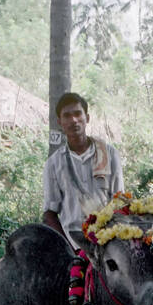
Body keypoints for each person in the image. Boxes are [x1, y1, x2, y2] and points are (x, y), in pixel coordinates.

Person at [42, 92, 124, 247]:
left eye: (78, 113)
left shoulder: (109, 154)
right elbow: (50, 214)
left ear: (87, 118)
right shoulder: (53, 164)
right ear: (60, 122)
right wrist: (68, 248)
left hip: (108, 245)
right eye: (67, 115)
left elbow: (120, 202)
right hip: (72, 246)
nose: (73, 120)